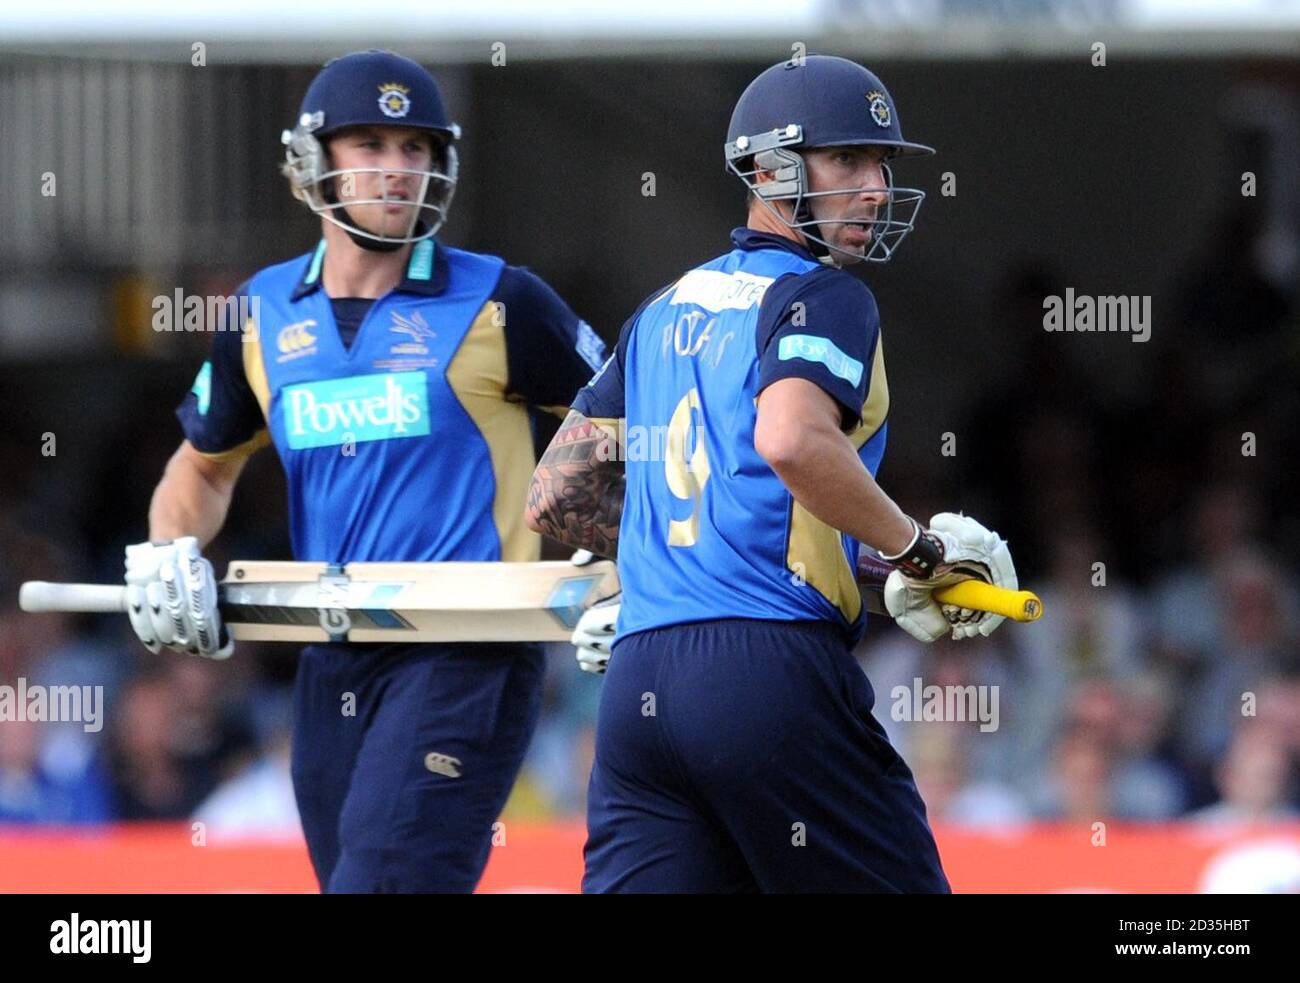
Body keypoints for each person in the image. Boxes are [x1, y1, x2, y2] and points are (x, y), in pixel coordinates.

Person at [525, 55, 1016, 892]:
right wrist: (913, 550)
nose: (873, 187)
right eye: (848, 160)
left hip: (641, 683)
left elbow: (556, 494)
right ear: (766, 168)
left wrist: (671, 571)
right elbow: (792, 440)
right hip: (768, 671)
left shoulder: (660, 308)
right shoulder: (825, 296)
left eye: (882, 164)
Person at [122, 50, 605, 892]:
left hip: (468, 649)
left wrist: (624, 574)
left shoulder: (503, 300)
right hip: (331, 656)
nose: (396, 168)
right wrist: (169, 548)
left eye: (415, 148)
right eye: (369, 144)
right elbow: (200, 469)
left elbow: (627, 430)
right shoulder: (260, 313)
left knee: (383, 880)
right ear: (312, 161)